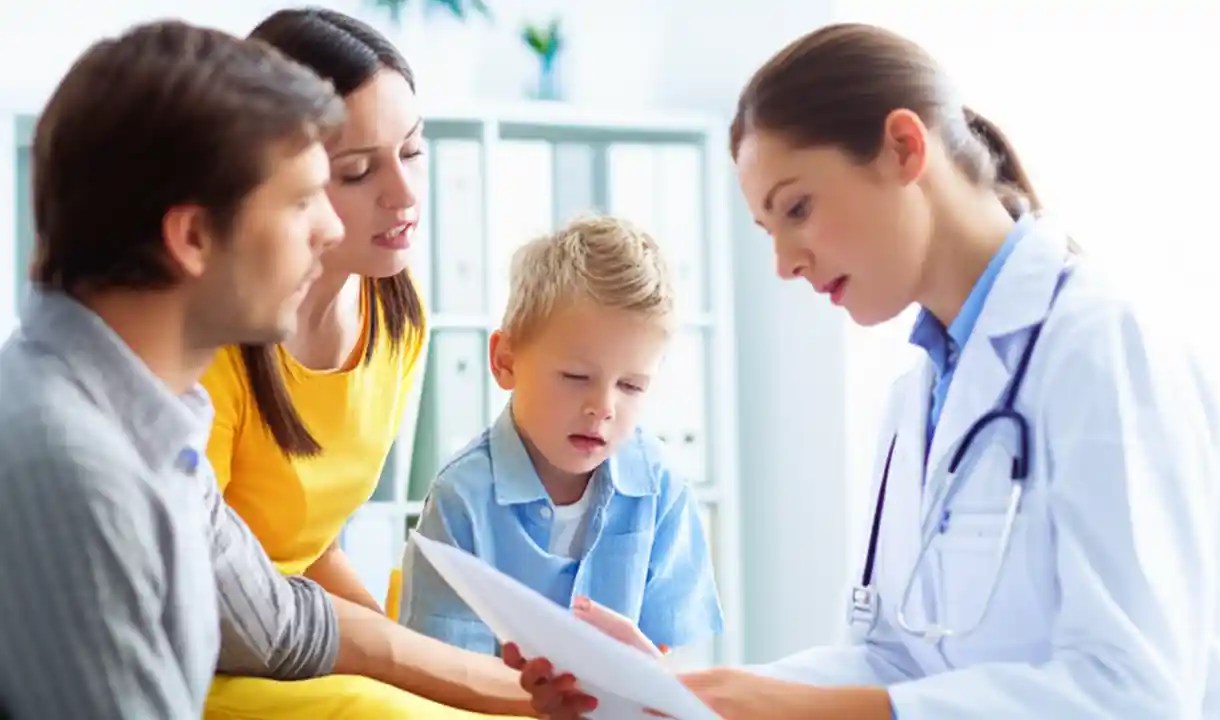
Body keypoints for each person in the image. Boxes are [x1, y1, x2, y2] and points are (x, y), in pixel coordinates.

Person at [503, 22, 1220, 719]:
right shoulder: (920, 393)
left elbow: (1136, 694)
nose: (784, 263)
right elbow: (898, 661)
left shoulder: (1104, 347)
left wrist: (805, 709)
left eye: (797, 208)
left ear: (906, 148)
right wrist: (691, 696)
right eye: (768, 228)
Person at [0, 20, 533, 720]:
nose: (330, 231)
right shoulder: (81, 470)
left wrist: (511, 691)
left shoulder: (147, 426)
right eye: (303, 200)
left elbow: (277, 618)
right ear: (192, 236)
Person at [198, 8, 532, 720]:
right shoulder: (211, 345)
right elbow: (210, 592)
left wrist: (428, 661)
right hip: (208, 651)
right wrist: (421, 669)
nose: (404, 195)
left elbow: (307, 549)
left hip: (301, 639)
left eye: (412, 151)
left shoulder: (397, 313)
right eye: (356, 171)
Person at [399, 215, 723, 656]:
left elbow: (672, 659)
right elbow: (443, 676)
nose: (603, 407)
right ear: (505, 360)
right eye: (575, 376)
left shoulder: (659, 486)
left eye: (631, 386)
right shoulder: (463, 499)